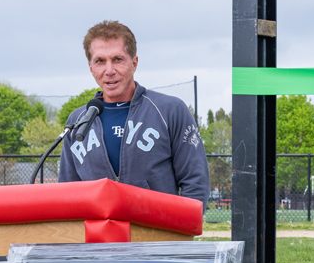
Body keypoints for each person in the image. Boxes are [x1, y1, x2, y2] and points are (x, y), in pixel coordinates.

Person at [59, 20, 209, 202]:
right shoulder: (78, 121)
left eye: (117, 59)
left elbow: (195, 182)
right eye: (100, 61)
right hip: (97, 230)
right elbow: (67, 192)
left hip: (156, 228)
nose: (109, 70)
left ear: (134, 63)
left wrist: (183, 228)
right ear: (91, 68)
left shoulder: (170, 111)